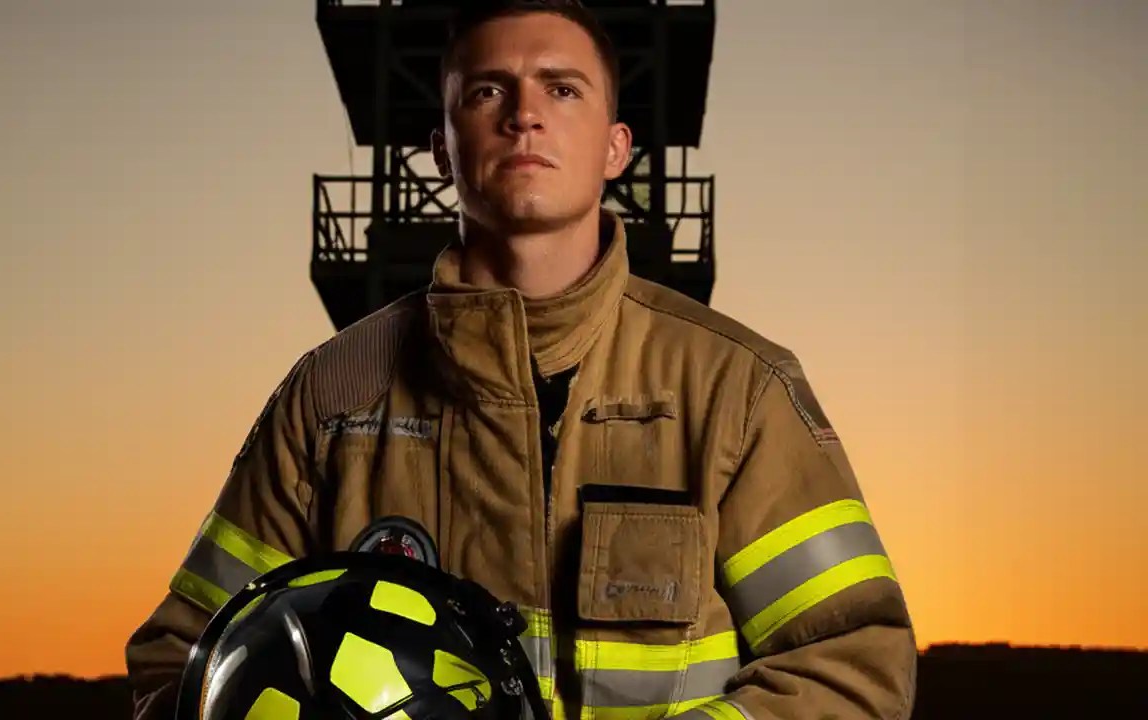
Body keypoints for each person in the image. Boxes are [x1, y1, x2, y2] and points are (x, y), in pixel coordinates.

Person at [125, 1, 918, 718]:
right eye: (486, 92)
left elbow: (849, 665)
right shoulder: (333, 397)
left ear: (617, 150)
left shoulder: (737, 393)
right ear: (441, 149)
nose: (525, 116)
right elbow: (186, 662)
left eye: (563, 89)